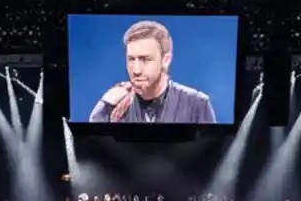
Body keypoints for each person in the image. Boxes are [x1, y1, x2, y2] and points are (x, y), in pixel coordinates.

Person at [88, 20, 217, 124]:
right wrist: (104, 107)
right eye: (131, 59)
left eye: (145, 59)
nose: (136, 70)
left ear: (166, 60)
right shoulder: (113, 106)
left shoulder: (197, 105)